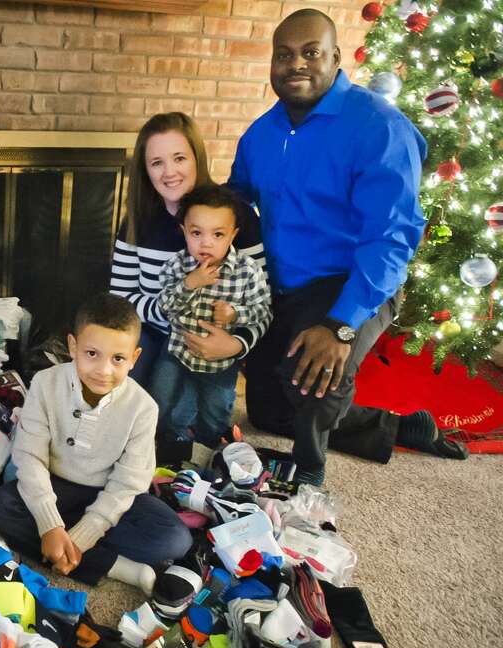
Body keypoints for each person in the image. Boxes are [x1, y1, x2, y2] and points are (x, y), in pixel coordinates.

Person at [217, 8, 467, 485]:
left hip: (357, 279)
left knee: (312, 370)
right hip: (286, 283)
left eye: (311, 53)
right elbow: (236, 199)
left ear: (335, 57)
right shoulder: (260, 134)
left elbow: (391, 239)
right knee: (270, 411)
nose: (297, 64)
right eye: (284, 54)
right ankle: (394, 426)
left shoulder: (378, 128)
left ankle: (308, 474)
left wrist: (342, 325)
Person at [0, 293, 191, 593]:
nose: (103, 370)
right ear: (72, 347)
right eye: (92, 354)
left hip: (104, 493)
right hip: (53, 484)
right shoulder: (45, 383)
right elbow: (30, 457)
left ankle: (63, 546)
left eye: (118, 359)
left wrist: (83, 535)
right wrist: (49, 524)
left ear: (134, 358)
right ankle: (118, 568)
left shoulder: (143, 408)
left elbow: (129, 482)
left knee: (174, 539)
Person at [110, 112, 266, 388]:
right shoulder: (136, 219)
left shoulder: (235, 215)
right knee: (127, 391)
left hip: (216, 339)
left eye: (179, 158)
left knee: (202, 411)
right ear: (145, 170)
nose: (169, 172)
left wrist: (236, 344)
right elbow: (122, 298)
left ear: (197, 158)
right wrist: (170, 310)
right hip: (154, 332)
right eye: (157, 163)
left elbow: (261, 300)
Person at [150, 185, 272, 450]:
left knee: (216, 407)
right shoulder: (176, 266)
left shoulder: (246, 271)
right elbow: (164, 307)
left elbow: (263, 310)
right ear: (184, 232)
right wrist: (189, 284)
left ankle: (208, 443)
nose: (206, 242)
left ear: (233, 235)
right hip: (177, 352)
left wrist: (235, 314)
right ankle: (165, 442)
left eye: (218, 234)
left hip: (221, 362)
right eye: (196, 233)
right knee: (161, 398)